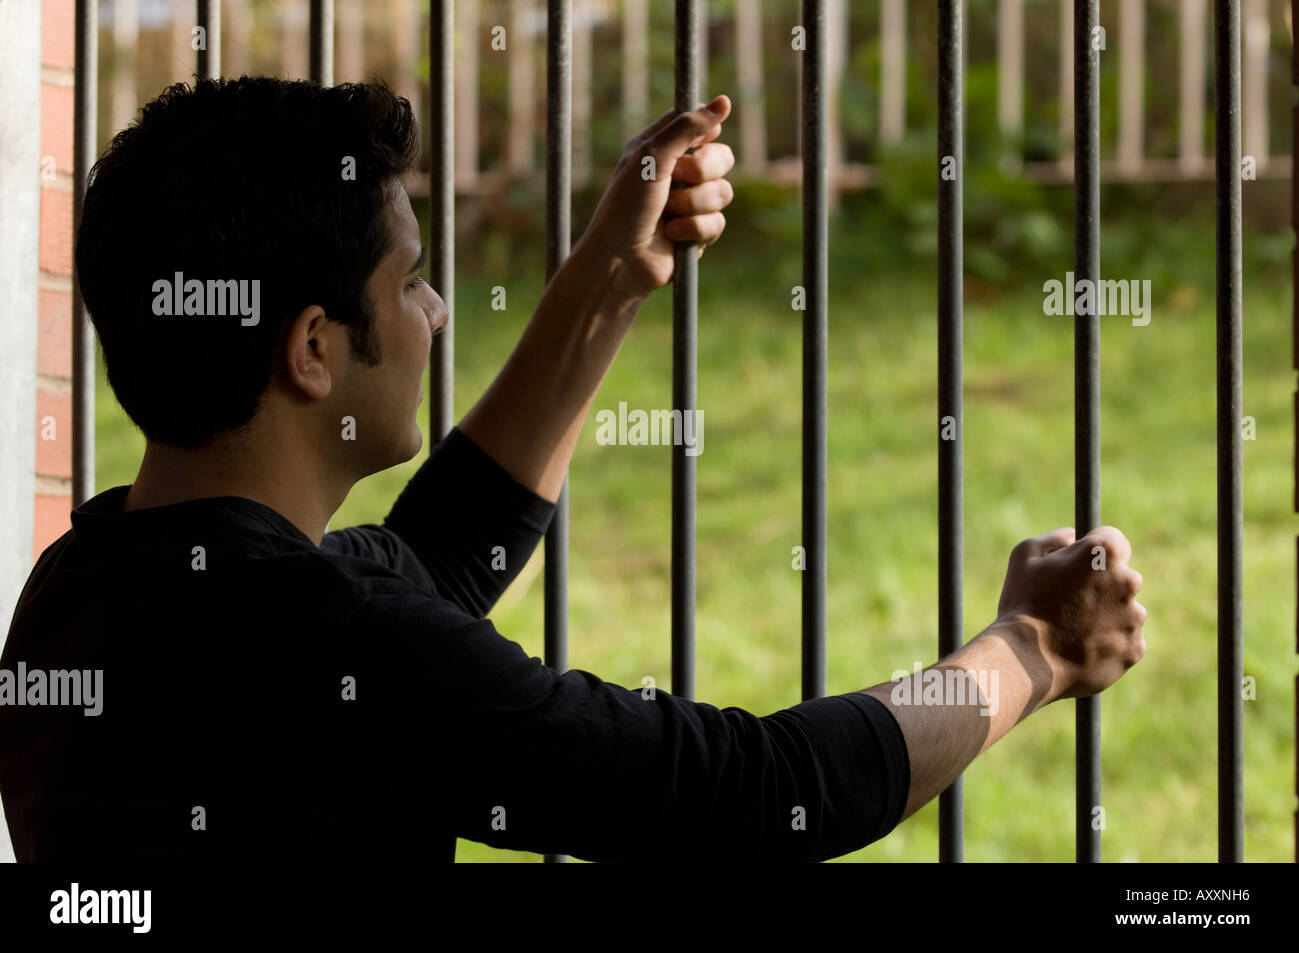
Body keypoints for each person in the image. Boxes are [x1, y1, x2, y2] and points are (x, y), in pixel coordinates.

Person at [0, 77, 1144, 862]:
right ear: (310, 349)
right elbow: (764, 789)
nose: (435, 310)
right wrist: (1029, 650)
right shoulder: (330, 646)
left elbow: (432, 555)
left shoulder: (89, 587)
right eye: (408, 282)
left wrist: (612, 272)